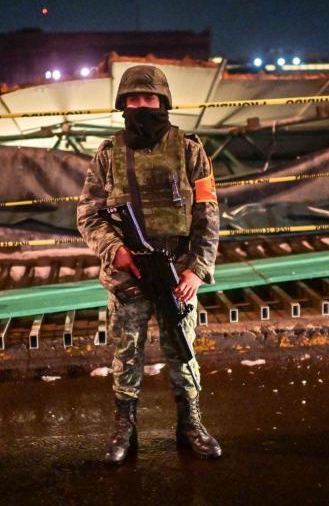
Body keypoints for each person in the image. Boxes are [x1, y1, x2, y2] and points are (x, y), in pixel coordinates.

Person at [77, 64, 222, 464]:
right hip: (128, 275)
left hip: (177, 273)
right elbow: (89, 215)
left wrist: (196, 270)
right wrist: (114, 250)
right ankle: (125, 427)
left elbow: (208, 215)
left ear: (164, 103)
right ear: (123, 104)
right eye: (134, 100)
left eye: (149, 99)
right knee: (126, 353)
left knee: (182, 348)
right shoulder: (108, 155)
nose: (142, 106)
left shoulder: (191, 150)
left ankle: (190, 423)